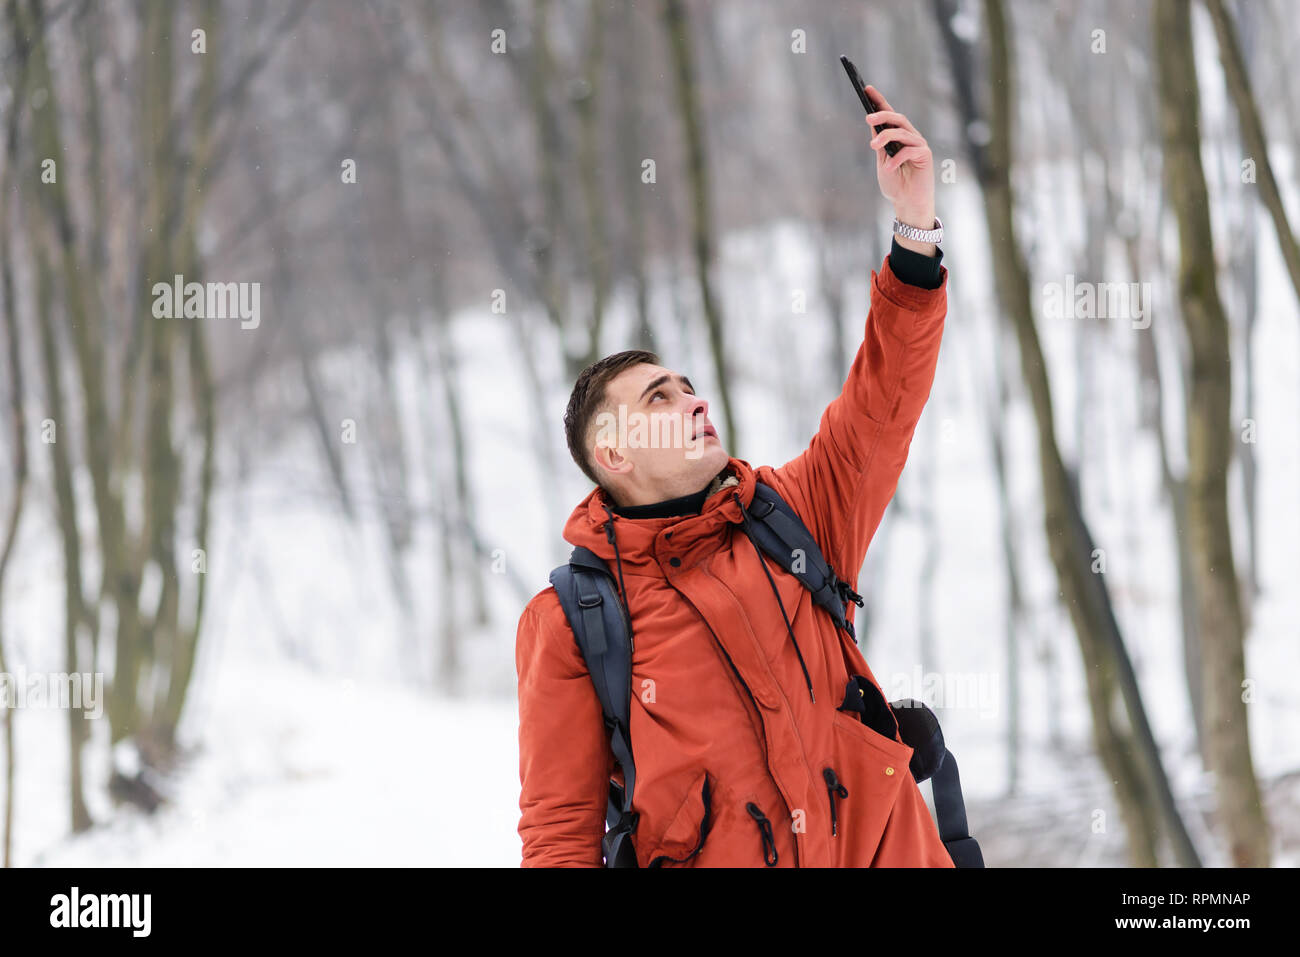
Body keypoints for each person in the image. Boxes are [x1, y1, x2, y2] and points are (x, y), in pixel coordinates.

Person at [516, 88, 952, 866]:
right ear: (612, 453)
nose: (693, 399)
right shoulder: (573, 623)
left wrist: (915, 227)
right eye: (660, 396)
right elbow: (560, 831)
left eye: (687, 385)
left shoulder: (796, 515)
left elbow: (882, 403)